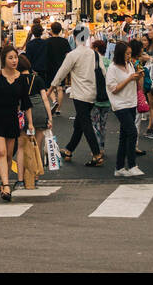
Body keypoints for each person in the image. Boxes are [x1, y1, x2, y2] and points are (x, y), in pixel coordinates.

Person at [0, 46, 33, 201]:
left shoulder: (22, 79)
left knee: (9, 155)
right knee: (1, 152)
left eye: (15, 57)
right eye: (10, 58)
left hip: (12, 118)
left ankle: (5, 183)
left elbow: (26, 103)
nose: (14, 60)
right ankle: (6, 185)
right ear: (4, 59)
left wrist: (30, 123)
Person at [50, 32, 103, 166]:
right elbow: (103, 72)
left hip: (80, 94)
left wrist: (50, 89)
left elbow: (61, 72)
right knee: (79, 123)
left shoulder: (73, 54)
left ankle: (97, 155)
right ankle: (69, 149)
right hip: (93, 92)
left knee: (85, 123)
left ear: (74, 38)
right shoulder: (94, 54)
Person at [106, 41, 144, 177]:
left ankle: (119, 167)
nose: (129, 56)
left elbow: (137, 85)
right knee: (132, 132)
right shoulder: (113, 68)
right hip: (119, 104)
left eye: (129, 53)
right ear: (120, 54)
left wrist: (139, 77)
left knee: (124, 136)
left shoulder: (130, 65)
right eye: (127, 54)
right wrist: (129, 79)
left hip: (131, 102)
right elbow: (113, 89)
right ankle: (132, 164)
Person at [44, 22, 72, 114]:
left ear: (51, 30)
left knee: (49, 86)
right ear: (60, 30)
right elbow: (68, 55)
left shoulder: (47, 42)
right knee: (60, 88)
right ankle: (58, 109)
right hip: (61, 67)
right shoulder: (64, 41)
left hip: (49, 66)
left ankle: (54, 101)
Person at [25, 23, 49, 92]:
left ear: (32, 33)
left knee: (34, 90)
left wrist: (30, 69)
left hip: (33, 70)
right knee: (43, 90)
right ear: (41, 32)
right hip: (43, 69)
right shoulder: (45, 43)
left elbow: (28, 59)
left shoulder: (29, 44)